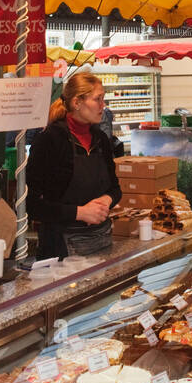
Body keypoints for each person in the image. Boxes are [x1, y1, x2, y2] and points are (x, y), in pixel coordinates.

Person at [27, 72, 121, 259]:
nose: (103, 106)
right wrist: (80, 212)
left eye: (103, 99)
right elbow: (32, 205)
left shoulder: (101, 139)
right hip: (60, 248)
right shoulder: (50, 140)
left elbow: (115, 189)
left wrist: (107, 200)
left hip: (101, 240)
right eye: (98, 99)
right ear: (77, 103)